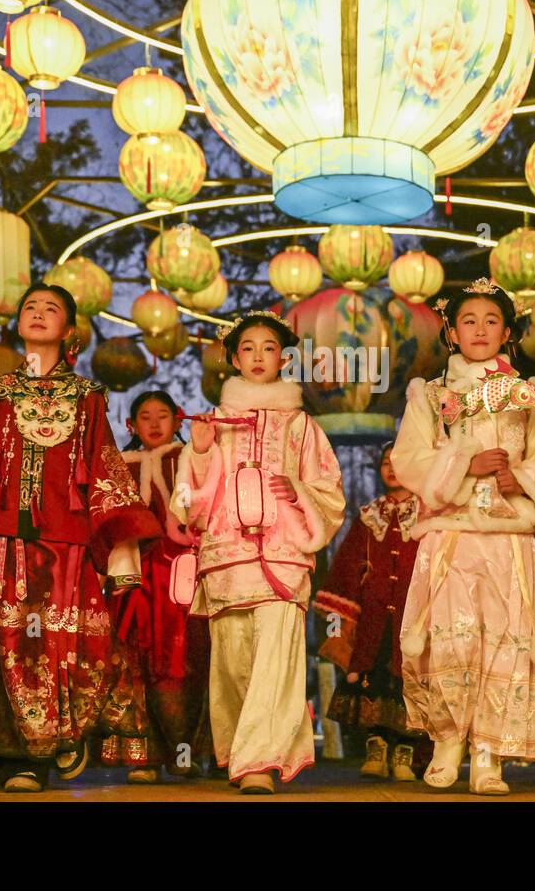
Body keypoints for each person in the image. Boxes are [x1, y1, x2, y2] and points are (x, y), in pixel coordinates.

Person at [0, 283, 160, 793]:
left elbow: (104, 468)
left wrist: (119, 549)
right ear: (18, 323)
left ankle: (42, 754)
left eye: (51, 309)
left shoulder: (89, 397)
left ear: (69, 331)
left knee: (49, 643)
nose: (38, 313)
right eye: (29, 306)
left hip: (61, 538)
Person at [391, 278, 535, 795]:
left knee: (505, 639)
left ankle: (490, 753)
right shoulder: (430, 395)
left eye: (492, 321)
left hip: (508, 536)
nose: (479, 329)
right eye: (468, 320)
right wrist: (464, 465)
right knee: (451, 638)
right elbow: (409, 458)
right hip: (450, 534)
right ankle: (449, 743)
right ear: (450, 330)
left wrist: (524, 479)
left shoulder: (526, 395)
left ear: (508, 332)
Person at [172, 311, 345, 795]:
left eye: (268, 348)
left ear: (284, 358)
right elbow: (186, 502)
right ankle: (240, 755)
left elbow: (330, 490)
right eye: (247, 348)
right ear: (232, 357)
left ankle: (259, 763)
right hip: (227, 559)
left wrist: (297, 493)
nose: (258, 357)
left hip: (285, 556)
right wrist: (202, 453)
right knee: (232, 664)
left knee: (276, 658)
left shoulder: (303, 426)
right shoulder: (212, 424)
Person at [106, 390, 212, 782]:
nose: (153, 424)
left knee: (188, 661)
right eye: (144, 416)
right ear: (131, 424)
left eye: (162, 415)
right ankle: (144, 756)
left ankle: (188, 752)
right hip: (134, 578)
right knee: (135, 661)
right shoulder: (119, 467)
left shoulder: (190, 460)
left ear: (178, 421)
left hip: (183, 576)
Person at [315, 443, 431, 782]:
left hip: (416, 617)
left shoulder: (430, 515)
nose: (392, 468)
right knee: (374, 676)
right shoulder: (368, 516)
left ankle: (406, 752)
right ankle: (377, 748)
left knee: (411, 680)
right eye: (385, 462)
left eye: (399, 462)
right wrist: (341, 619)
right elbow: (347, 565)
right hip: (374, 619)